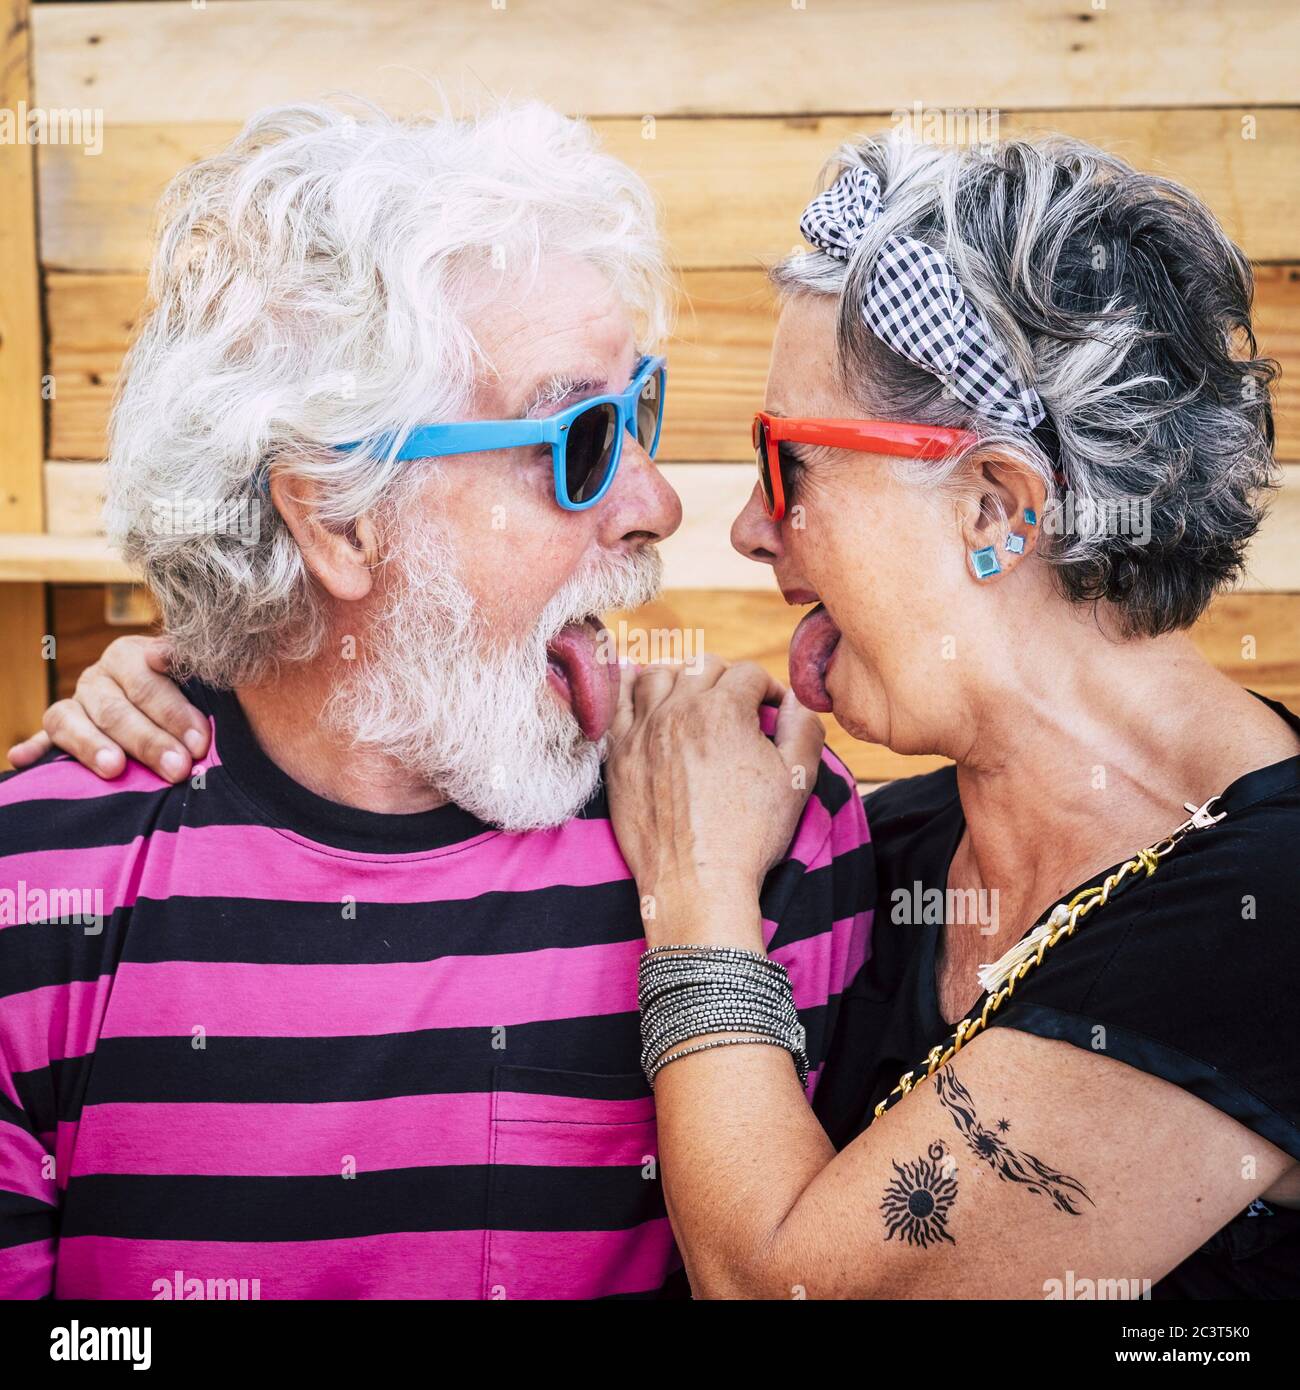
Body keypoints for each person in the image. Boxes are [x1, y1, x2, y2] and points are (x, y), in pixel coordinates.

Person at [0, 100, 871, 1300]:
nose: (658, 503)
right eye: (576, 437)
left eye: (640, 412)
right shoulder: (34, 891)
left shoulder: (756, 821)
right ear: (338, 518)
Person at [598, 132, 1300, 1297]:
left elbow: (789, 1288)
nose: (749, 530)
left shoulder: (1269, 911)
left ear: (994, 504)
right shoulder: (889, 844)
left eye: (789, 467)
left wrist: (698, 900)